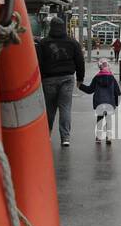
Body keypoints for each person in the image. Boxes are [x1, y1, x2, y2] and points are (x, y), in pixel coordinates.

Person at [36, 15, 85, 146]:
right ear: (63, 28)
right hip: (67, 79)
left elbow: (38, 63)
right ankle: (65, 138)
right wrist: (80, 79)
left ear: (51, 27)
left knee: (49, 109)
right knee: (65, 108)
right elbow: (80, 61)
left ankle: (47, 135)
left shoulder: (43, 43)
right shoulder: (72, 42)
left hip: (48, 79)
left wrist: (39, 79)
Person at [78, 58, 121, 144]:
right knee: (109, 120)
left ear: (100, 67)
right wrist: (116, 104)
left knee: (99, 119)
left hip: (99, 103)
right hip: (110, 103)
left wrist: (80, 86)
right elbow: (118, 92)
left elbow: (90, 90)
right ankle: (109, 137)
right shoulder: (112, 78)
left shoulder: (96, 78)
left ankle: (98, 137)